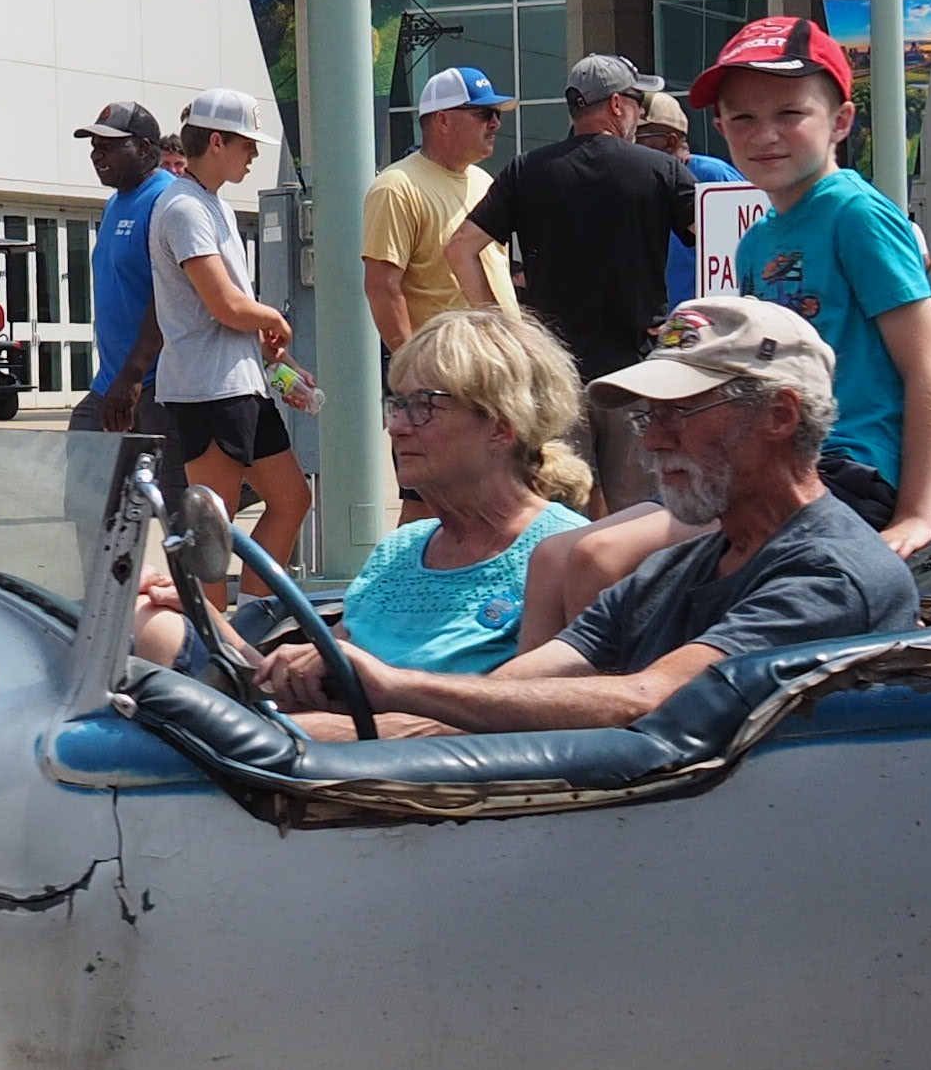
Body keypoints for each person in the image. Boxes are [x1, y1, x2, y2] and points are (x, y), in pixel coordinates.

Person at [253, 295, 920, 733]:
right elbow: (526, 684)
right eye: (646, 416)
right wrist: (372, 695)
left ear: (779, 415)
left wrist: (389, 691)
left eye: (678, 413)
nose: (652, 440)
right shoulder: (688, 565)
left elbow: (651, 698)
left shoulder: (831, 573)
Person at [136, 307, 590, 684]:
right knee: (145, 618)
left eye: (424, 406)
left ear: (500, 426)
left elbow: (534, 725)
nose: (396, 426)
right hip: (323, 762)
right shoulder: (402, 550)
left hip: (434, 778)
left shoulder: (569, 555)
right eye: (397, 403)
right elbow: (322, 688)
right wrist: (206, 619)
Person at [698, 14, 931, 556]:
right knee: (581, 556)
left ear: (841, 121)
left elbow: (926, 366)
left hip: (849, 469)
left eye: (790, 113)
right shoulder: (755, 242)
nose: (764, 135)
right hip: (775, 465)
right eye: (742, 118)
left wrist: (914, 514)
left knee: (608, 556)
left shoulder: (857, 214)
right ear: (719, 128)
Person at [139, 87, 307, 589]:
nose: (254, 155)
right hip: (208, 390)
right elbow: (225, 305)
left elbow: (231, 310)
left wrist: (280, 361)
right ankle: (214, 642)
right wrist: (272, 320)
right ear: (217, 142)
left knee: (292, 499)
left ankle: (255, 617)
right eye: (247, 144)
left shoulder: (213, 206)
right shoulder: (183, 208)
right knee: (212, 528)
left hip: (238, 386)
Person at [452, 55, 683, 387]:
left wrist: (501, 328)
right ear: (617, 104)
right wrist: (687, 319)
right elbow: (720, 236)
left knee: (559, 443)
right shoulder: (661, 170)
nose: (642, 113)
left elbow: (459, 248)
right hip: (638, 372)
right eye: (639, 101)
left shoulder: (525, 171)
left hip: (554, 374)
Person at [362, 66, 515, 357]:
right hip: (445, 373)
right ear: (443, 120)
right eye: (484, 113)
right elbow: (382, 287)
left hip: (500, 367)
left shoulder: (486, 183)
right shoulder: (396, 187)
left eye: (497, 113)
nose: (495, 123)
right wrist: (413, 370)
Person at [69, 98, 169, 433]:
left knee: (167, 487)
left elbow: (169, 293)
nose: (96, 154)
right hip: (110, 384)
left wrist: (134, 375)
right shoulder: (115, 203)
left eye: (109, 146)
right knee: (83, 477)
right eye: (95, 146)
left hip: (155, 387)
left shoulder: (167, 199)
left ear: (143, 148)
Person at [635, 101, 739, 302]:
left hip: (705, 320)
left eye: (637, 137)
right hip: (659, 318)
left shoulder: (713, 176)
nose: (629, 145)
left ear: (671, 142)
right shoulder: (642, 180)